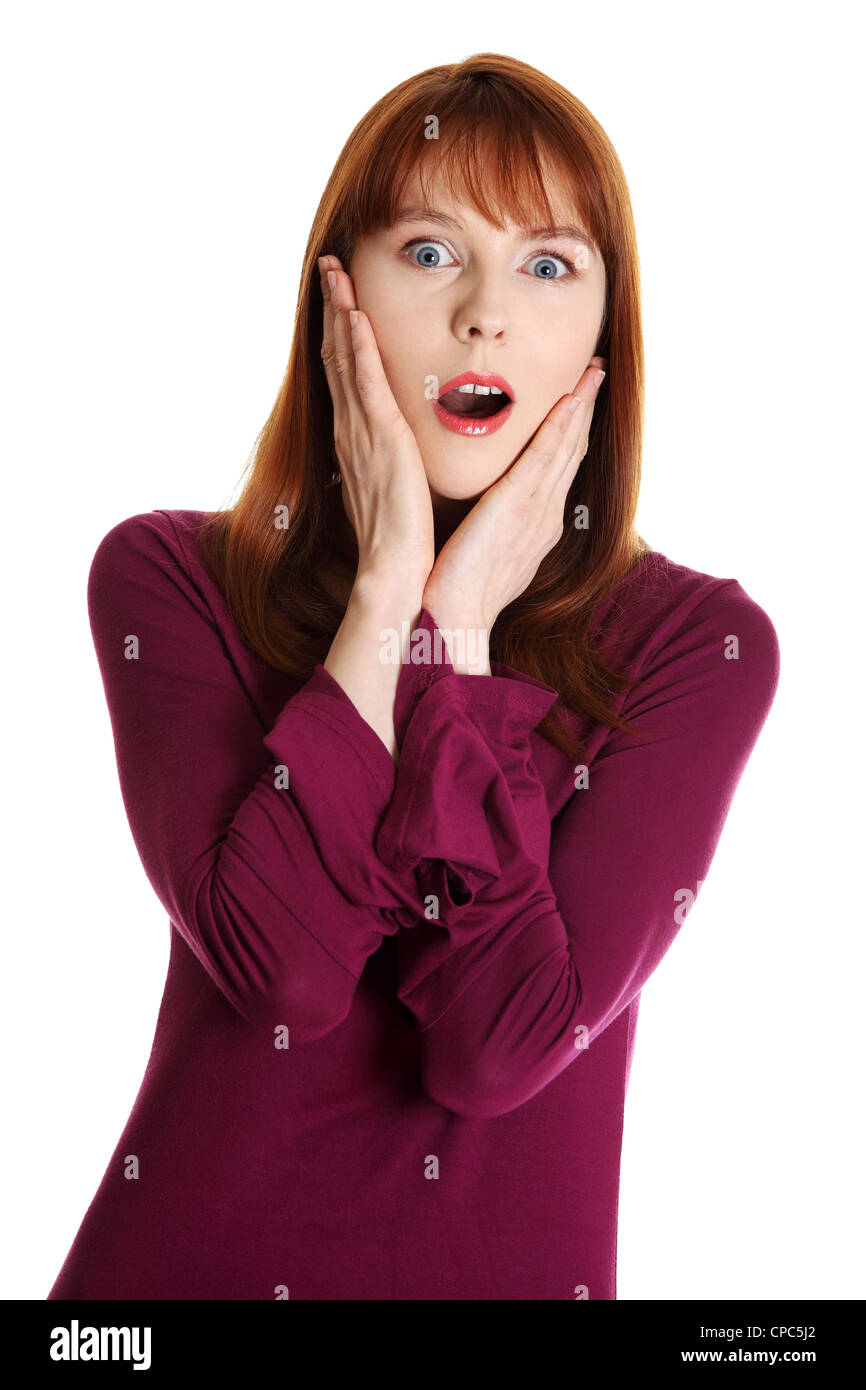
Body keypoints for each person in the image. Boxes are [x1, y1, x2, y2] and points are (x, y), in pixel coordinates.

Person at [47, 52, 779, 1301]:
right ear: (337, 295)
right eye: (430, 252)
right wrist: (389, 601)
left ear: (606, 334)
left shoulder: (692, 649)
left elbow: (492, 1054)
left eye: (547, 265)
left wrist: (460, 639)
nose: (483, 314)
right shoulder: (171, 579)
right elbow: (279, 967)